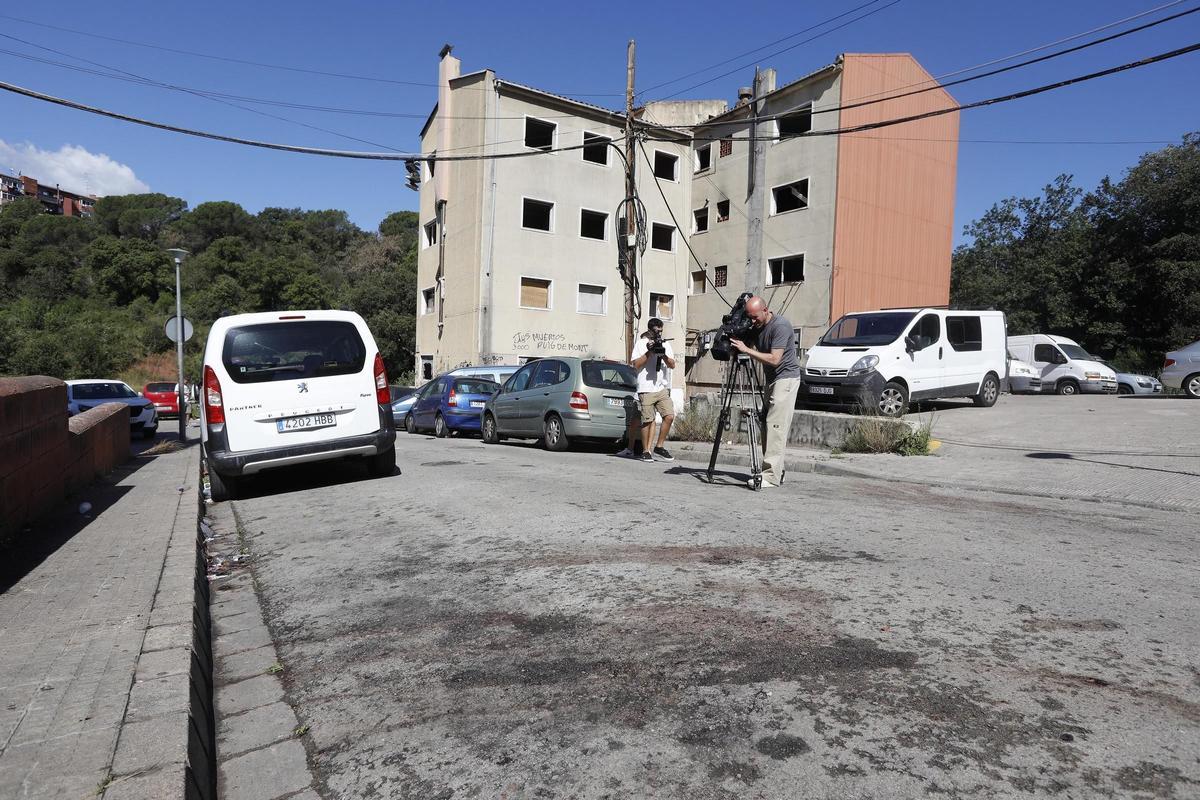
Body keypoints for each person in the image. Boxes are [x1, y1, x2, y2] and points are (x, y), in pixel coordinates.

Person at [729, 296, 802, 488]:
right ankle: (777, 471)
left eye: (755, 317)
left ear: (766, 310)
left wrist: (746, 349)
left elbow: (775, 359)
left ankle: (770, 476)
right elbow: (745, 344)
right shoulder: (757, 326)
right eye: (749, 317)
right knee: (766, 425)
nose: (753, 321)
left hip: (786, 378)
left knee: (775, 425)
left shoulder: (780, 326)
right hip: (772, 380)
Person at [628, 317, 676, 462]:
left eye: (661, 331)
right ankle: (645, 451)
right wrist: (649, 352)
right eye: (656, 331)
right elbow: (636, 365)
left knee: (669, 416)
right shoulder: (641, 344)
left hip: (661, 388)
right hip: (646, 388)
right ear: (650, 330)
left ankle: (659, 446)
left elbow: (672, 365)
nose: (659, 334)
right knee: (647, 421)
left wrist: (663, 355)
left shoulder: (666, 344)